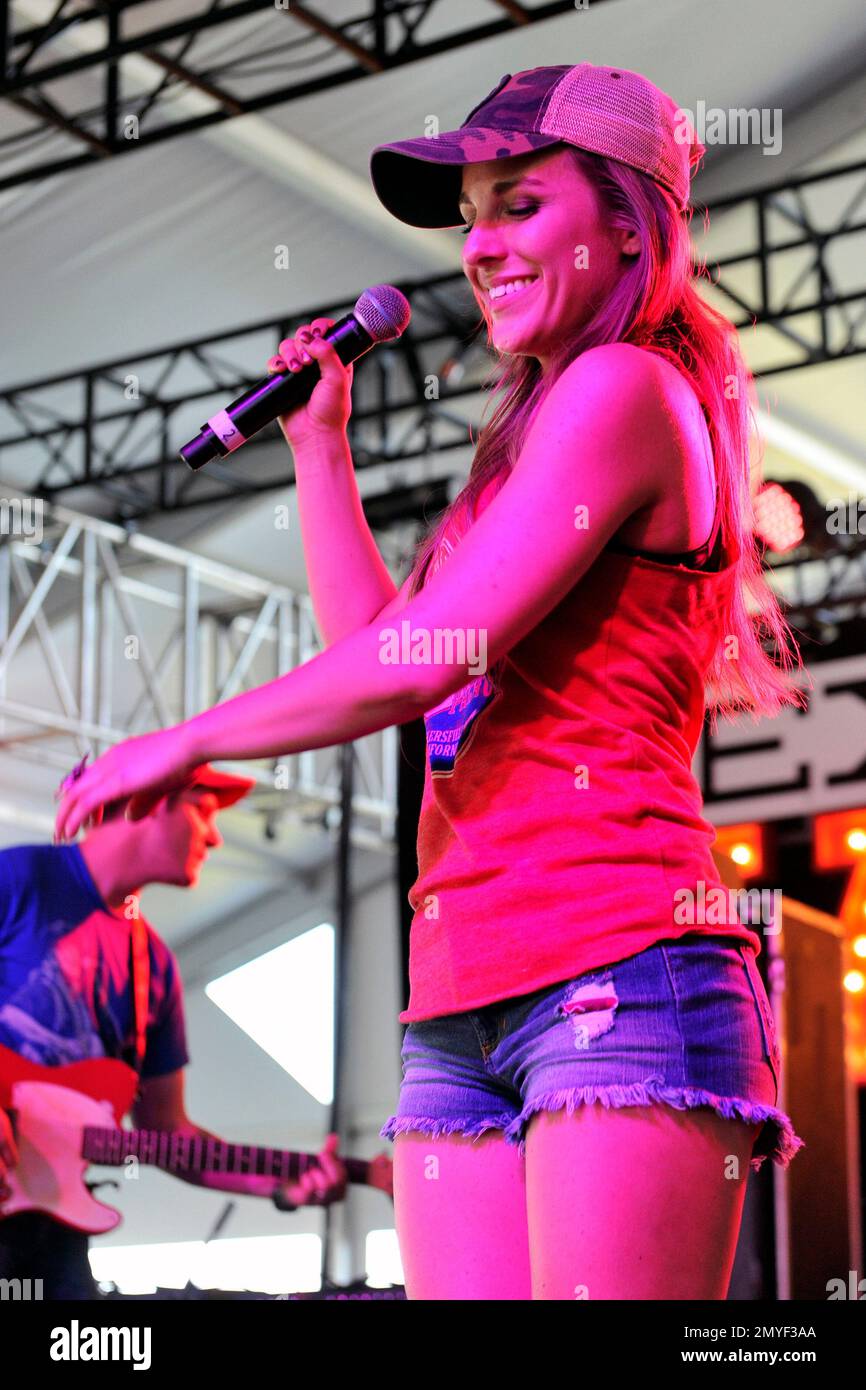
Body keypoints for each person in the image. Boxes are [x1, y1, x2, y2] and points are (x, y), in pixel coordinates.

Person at [53, 63, 807, 1301]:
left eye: (516, 202)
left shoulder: (626, 388)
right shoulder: (532, 437)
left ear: (628, 215)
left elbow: (423, 658)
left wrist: (174, 743)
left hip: (614, 964)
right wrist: (319, 447)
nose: (480, 244)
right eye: (471, 217)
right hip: (460, 994)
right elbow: (388, 658)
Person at [0, 766, 352, 1298]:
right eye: (202, 810)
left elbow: (167, 1135)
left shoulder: (154, 968)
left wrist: (281, 1180)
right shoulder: (19, 879)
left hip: (49, 1232)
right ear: (143, 800)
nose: (213, 835)